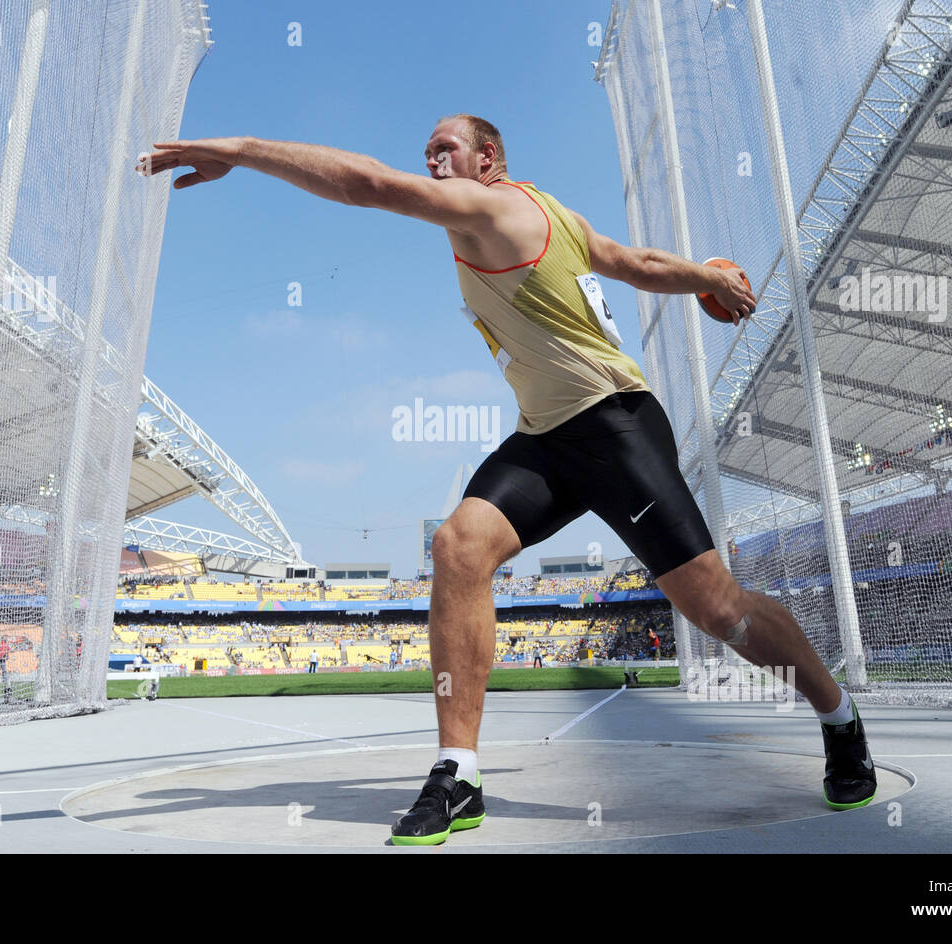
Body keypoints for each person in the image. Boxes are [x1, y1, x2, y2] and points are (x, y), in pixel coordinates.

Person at [138, 114, 874, 847]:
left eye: (444, 149)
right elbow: (635, 261)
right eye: (424, 150)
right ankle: (458, 772)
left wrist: (236, 149)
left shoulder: (492, 205)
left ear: (487, 158)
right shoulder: (550, 209)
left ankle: (838, 717)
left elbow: (366, 184)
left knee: (720, 613)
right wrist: (707, 278)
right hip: (545, 439)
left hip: (614, 424)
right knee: (460, 545)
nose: (430, 160)